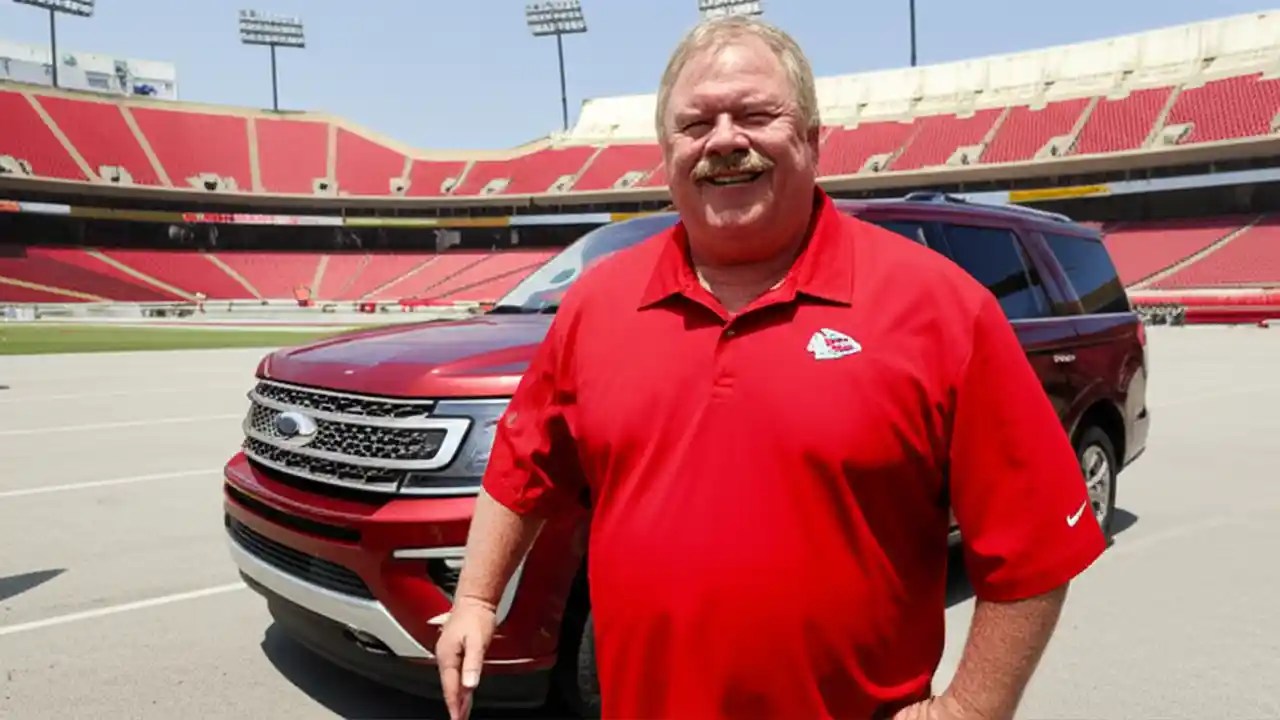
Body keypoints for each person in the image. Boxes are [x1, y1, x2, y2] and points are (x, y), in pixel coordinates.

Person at [436, 15, 1106, 720]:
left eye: (755, 115)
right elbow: (523, 465)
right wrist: (477, 597)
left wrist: (971, 708)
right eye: (696, 123)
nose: (725, 140)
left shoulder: (940, 307)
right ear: (666, 153)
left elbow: (1038, 541)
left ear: (812, 139)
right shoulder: (596, 304)